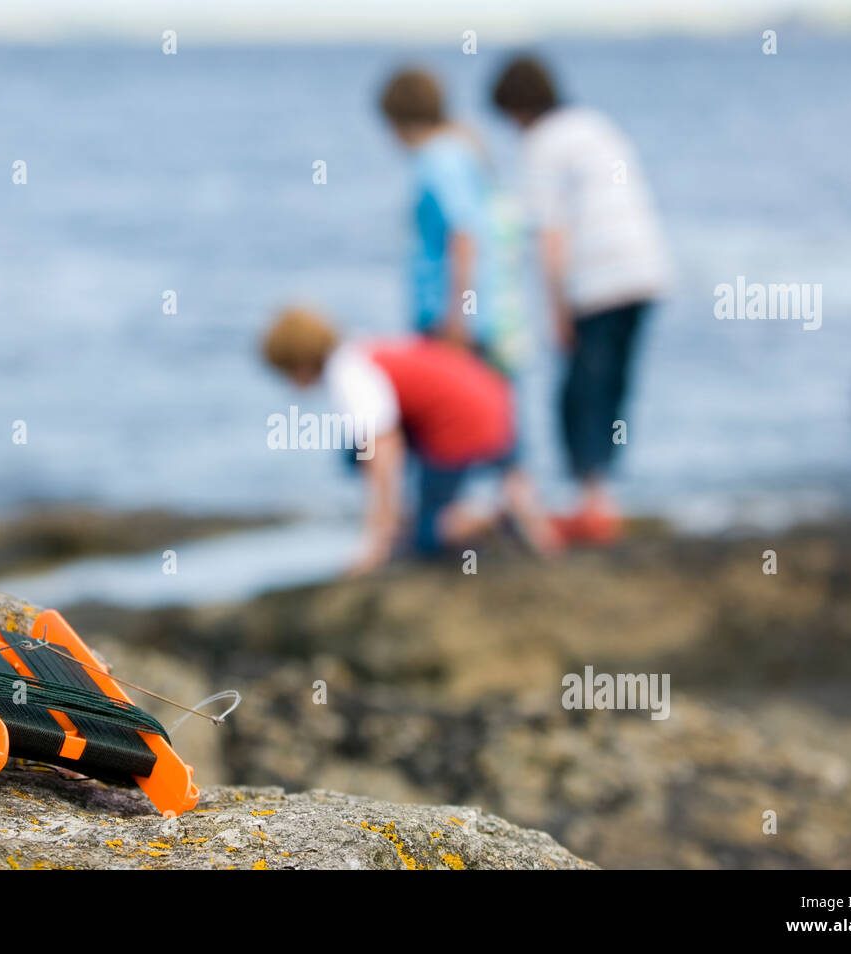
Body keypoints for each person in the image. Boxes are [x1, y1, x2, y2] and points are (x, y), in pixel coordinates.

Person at [492, 55, 671, 542]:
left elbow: (550, 233)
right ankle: (602, 496)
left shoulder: (542, 144)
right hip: (645, 268)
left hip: (597, 279)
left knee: (579, 394)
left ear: (516, 108)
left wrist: (556, 309)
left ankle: (591, 502)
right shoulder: (595, 126)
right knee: (613, 385)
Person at [261, 307, 560, 574]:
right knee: (357, 450)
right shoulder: (364, 348)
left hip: (459, 423)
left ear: (298, 363)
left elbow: (383, 450)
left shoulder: (348, 376)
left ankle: (492, 518)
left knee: (425, 538)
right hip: (494, 395)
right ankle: (526, 514)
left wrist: (377, 539)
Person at [378, 68, 523, 373]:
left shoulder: (439, 160)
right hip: (475, 322)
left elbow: (464, 235)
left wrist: (458, 320)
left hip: (453, 327)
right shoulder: (459, 152)